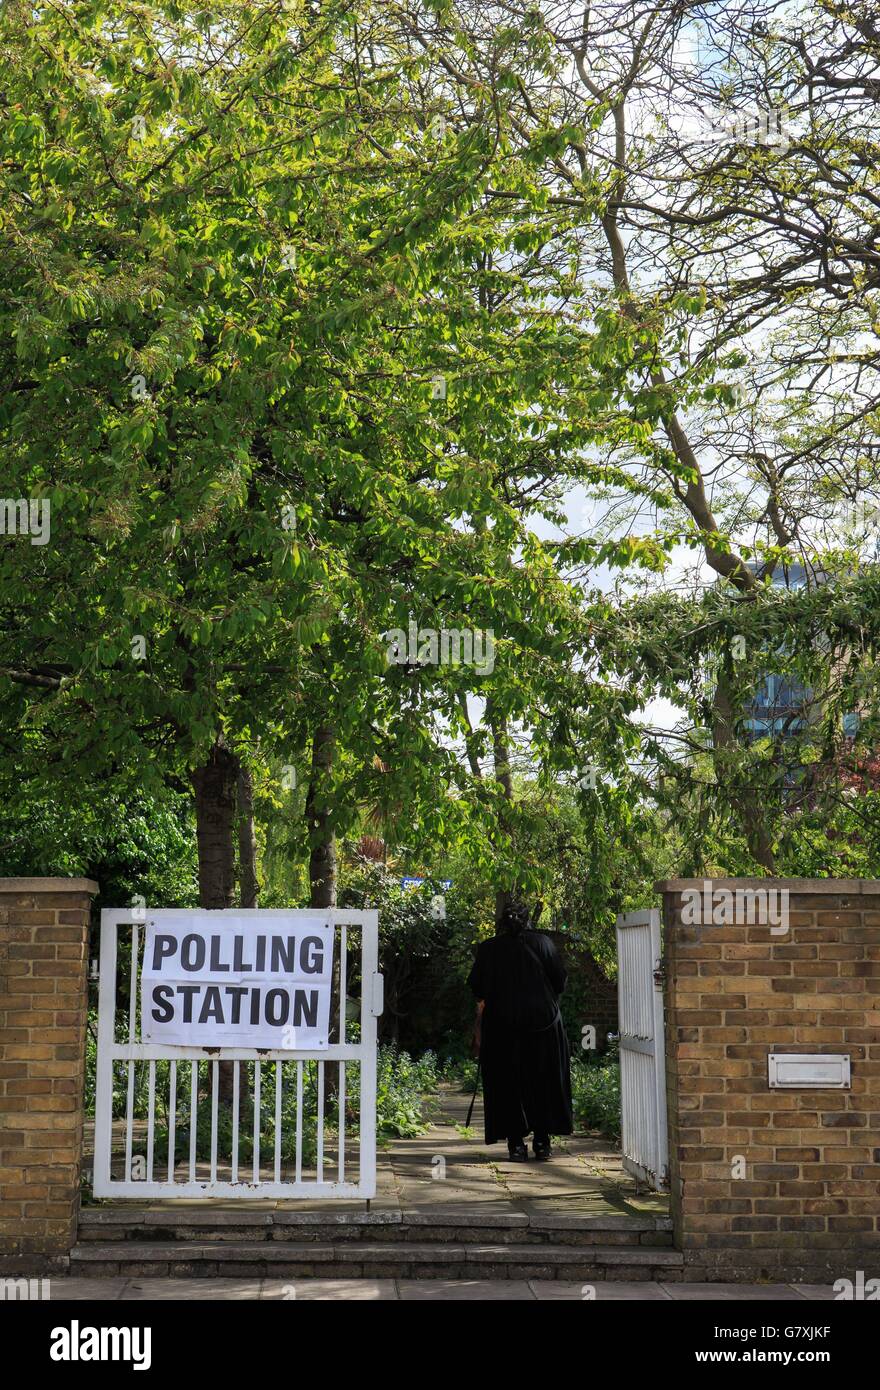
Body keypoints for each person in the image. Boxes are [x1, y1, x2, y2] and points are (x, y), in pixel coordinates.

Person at [467, 901, 573, 1160]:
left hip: (503, 1026)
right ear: (528, 921)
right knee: (543, 1080)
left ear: (502, 922)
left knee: (507, 1082)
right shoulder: (544, 944)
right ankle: (542, 1141)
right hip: (543, 1025)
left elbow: (477, 988)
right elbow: (559, 982)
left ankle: (515, 1143)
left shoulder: (489, 949)